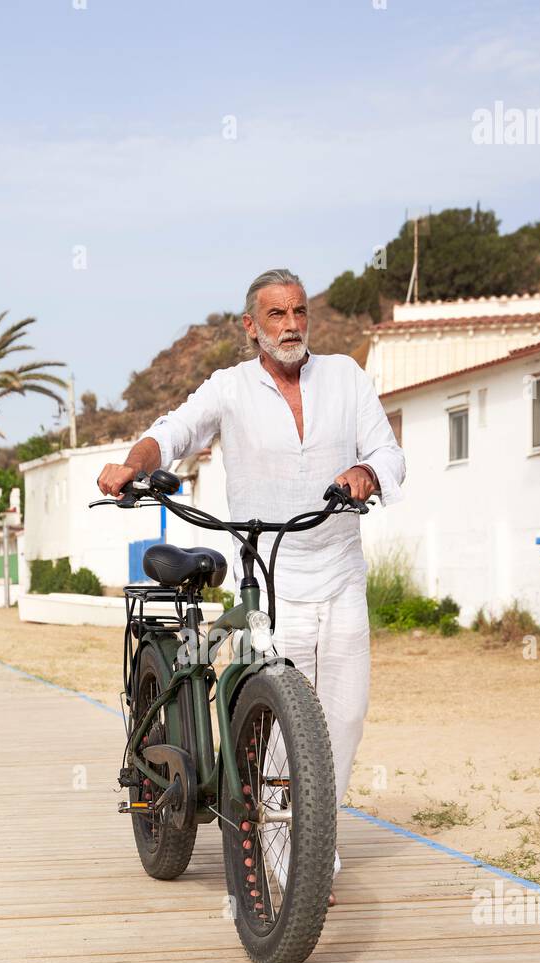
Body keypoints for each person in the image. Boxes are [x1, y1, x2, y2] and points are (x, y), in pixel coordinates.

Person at [98, 268, 405, 902]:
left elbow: (389, 452)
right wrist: (133, 464)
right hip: (272, 577)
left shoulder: (345, 377)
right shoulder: (229, 388)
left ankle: (312, 839)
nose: (291, 325)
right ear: (251, 326)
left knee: (343, 719)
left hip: (340, 571)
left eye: (299, 312)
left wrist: (366, 472)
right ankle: (281, 850)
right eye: (276, 315)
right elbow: (175, 431)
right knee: (281, 721)